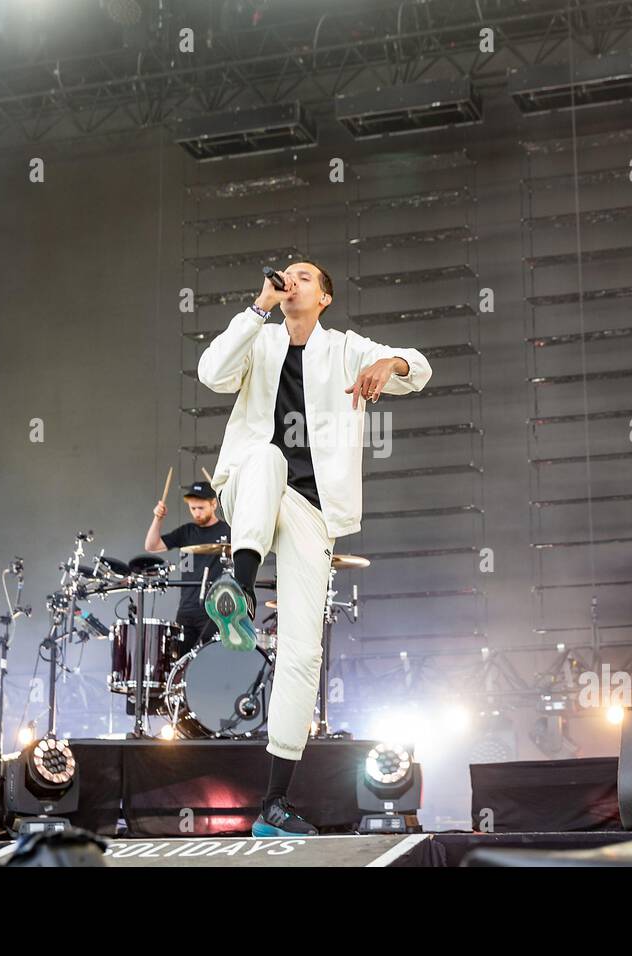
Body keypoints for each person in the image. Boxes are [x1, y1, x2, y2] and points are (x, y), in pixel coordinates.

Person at [197, 260, 432, 836]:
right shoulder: (261, 337)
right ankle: (241, 586)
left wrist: (388, 362)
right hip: (252, 484)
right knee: (271, 456)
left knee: (303, 653)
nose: (292, 281)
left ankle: (273, 804)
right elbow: (210, 373)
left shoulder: (345, 348)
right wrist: (257, 307)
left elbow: (420, 369)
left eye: (305, 277)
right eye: (288, 275)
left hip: (309, 508)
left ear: (324, 297)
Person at [143, 480, 229, 651]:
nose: (196, 513)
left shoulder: (228, 531)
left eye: (201, 508)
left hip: (215, 610)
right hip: (186, 610)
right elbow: (151, 546)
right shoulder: (186, 532)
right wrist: (158, 518)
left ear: (213, 504)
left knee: (215, 659)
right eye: (193, 508)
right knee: (179, 663)